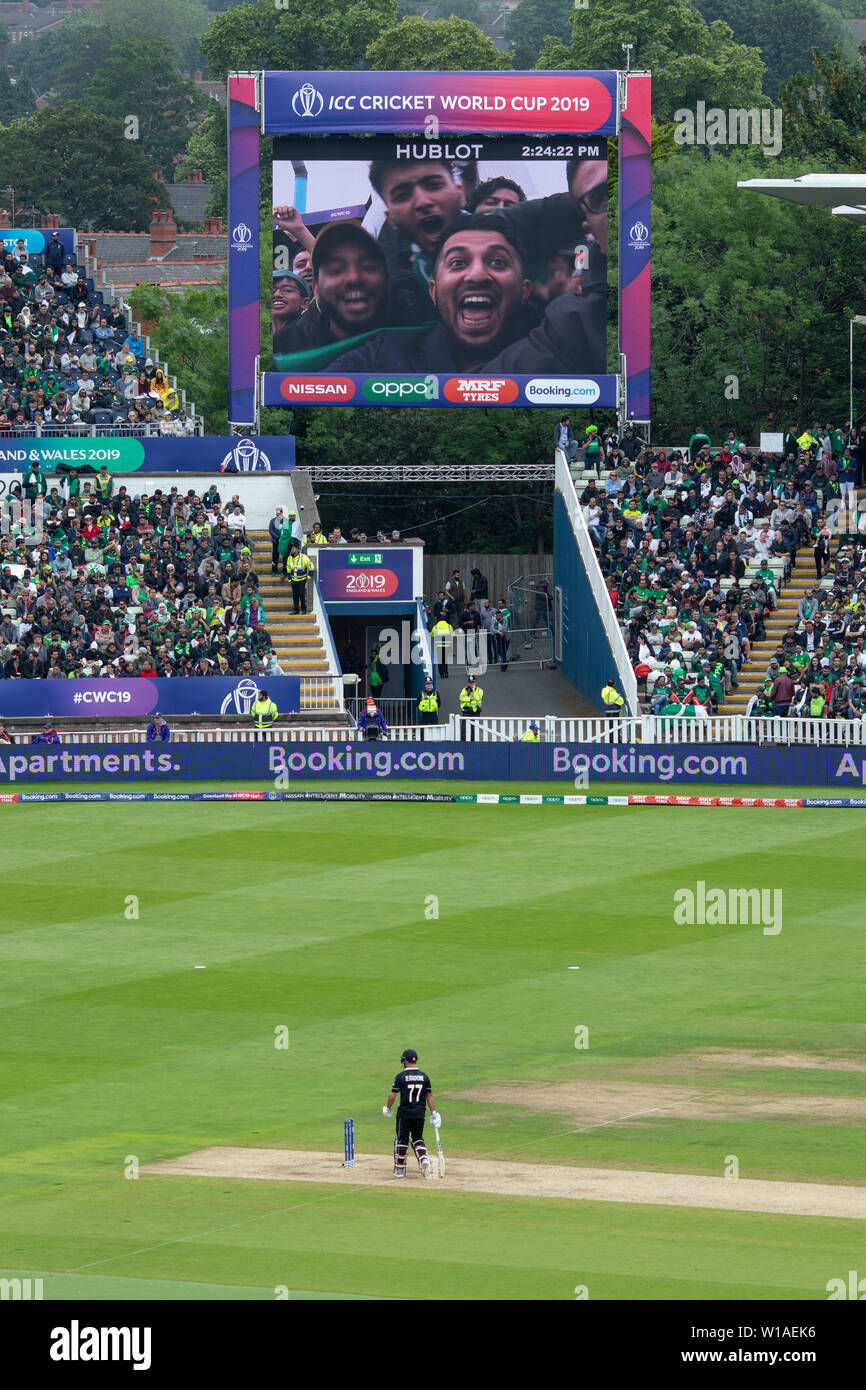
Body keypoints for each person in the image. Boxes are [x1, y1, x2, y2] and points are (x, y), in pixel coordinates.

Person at [330, 214, 605, 375]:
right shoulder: (383, 353)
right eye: (457, 263)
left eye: (498, 262)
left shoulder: (563, 347)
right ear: (433, 291)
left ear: (524, 290)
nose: (476, 275)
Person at [273, 222, 391, 369]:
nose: (353, 278)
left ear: (387, 281)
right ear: (316, 289)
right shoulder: (285, 346)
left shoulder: (411, 341)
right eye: (336, 270)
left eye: (368, 267)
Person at [382, 1047, 440, 1180]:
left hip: (405, 1113)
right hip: (420, 1113)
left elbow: (393, 1094)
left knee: (401, 1139)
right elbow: (429, 1095)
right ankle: (424, 1159)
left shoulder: (401, 1076)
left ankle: (400, 1169)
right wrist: (434, 1112)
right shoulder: (424, 1076)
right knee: (417, 1138)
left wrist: (388, 1108)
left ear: (405, 1061)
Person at [287, 543, 314, 614]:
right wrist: (289, 578)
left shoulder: (303, 557)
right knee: (295, 595)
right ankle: (296, 610)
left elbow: (311, 566)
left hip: (302, 580)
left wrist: (309, 576)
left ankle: (303, 609)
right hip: (293, 580)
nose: (291, 550)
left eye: (293, 549)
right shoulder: (289, 558)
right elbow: (288, 568)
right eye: (291, 549)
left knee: (301, 594)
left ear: (297, 549)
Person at [459, 673, 484, 739]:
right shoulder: (465, 690)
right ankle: (463, 742)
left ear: (476, 682)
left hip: (476, 711)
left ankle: (474, 742)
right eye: (470, 683)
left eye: (473, 682)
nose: (472, 684)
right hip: (467, 711)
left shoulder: (480, 690)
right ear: (468, 683)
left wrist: (473, 691)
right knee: (464, 728)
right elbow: (461, 698)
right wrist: (469, 699)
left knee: (475, 729)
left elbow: (478, 698)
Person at [431, 614, 453, 679]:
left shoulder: (436, 627)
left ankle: (442, 674)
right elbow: (452, 634)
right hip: (447, 645)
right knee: (445, 659)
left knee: (440, 660)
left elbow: (432, 635)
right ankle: (446, 673)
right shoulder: (449, 626)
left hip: (439, 645)